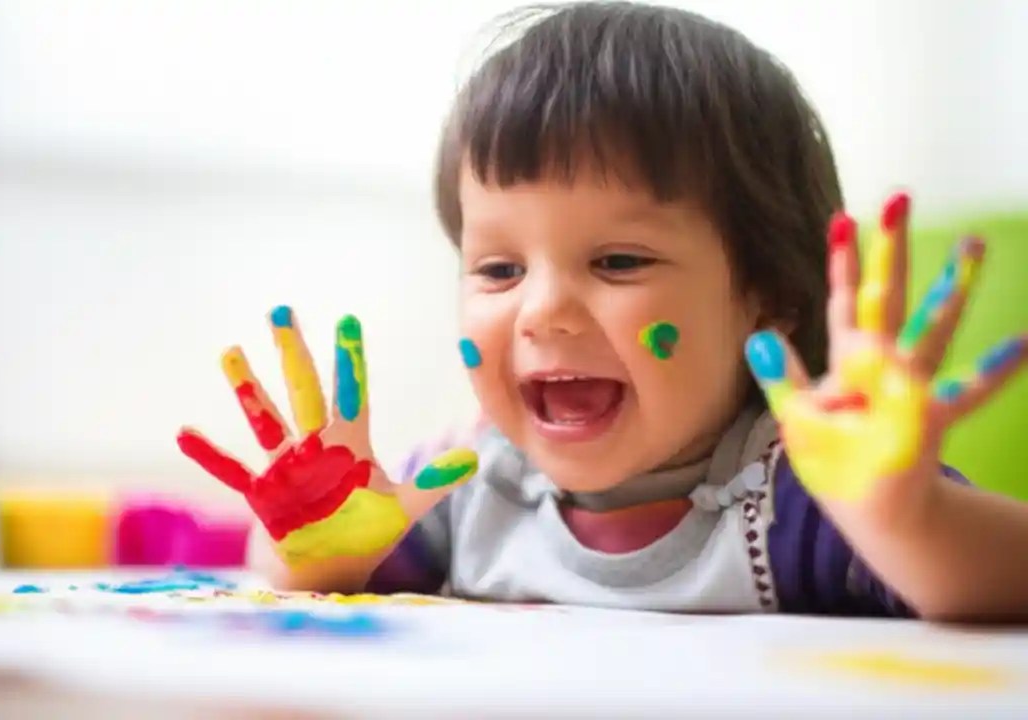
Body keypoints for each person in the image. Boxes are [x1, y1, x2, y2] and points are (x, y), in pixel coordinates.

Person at [177, 1, 1028, 621]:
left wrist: (906, 519)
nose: (544, 311)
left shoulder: (802, 498)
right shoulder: (469, 487)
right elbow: (307, 604)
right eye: (499, 268)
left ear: (767, 297)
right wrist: (307, 556)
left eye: (619, 261)